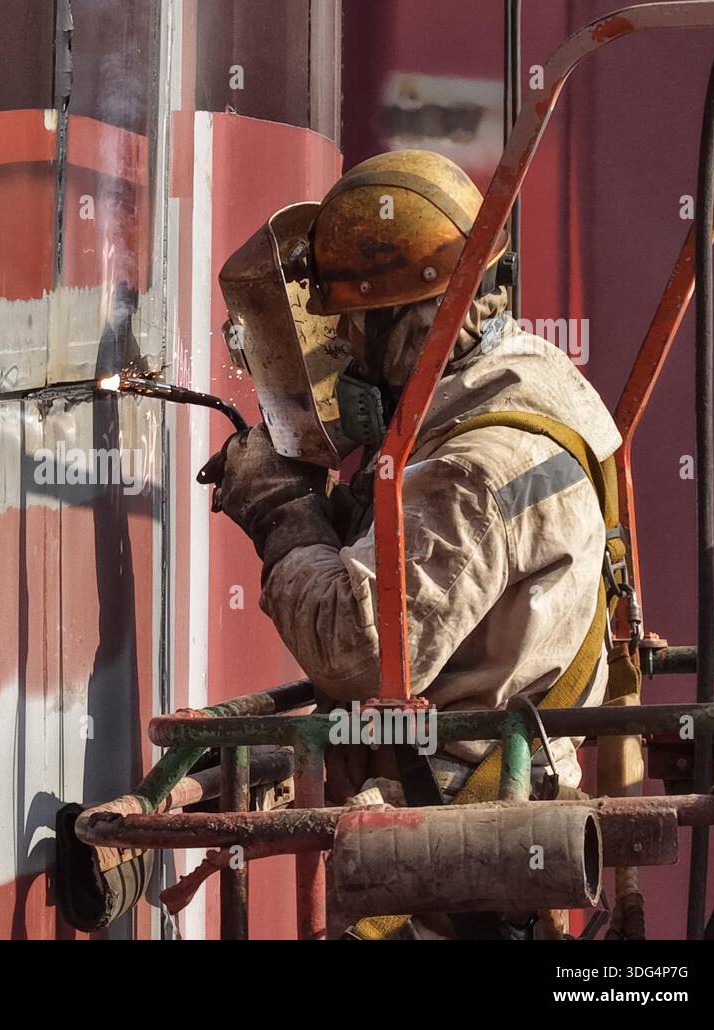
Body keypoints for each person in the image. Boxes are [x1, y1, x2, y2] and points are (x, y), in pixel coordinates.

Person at [204, 150, 623, 815]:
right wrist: (341, 512)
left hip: (451, 819)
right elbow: (451, 570)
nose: (345, 340)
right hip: (506, 793)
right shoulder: (536, 377)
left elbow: (357, 650)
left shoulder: (470, 468)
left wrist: (285, 510)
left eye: (358, 320)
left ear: (419, 321)